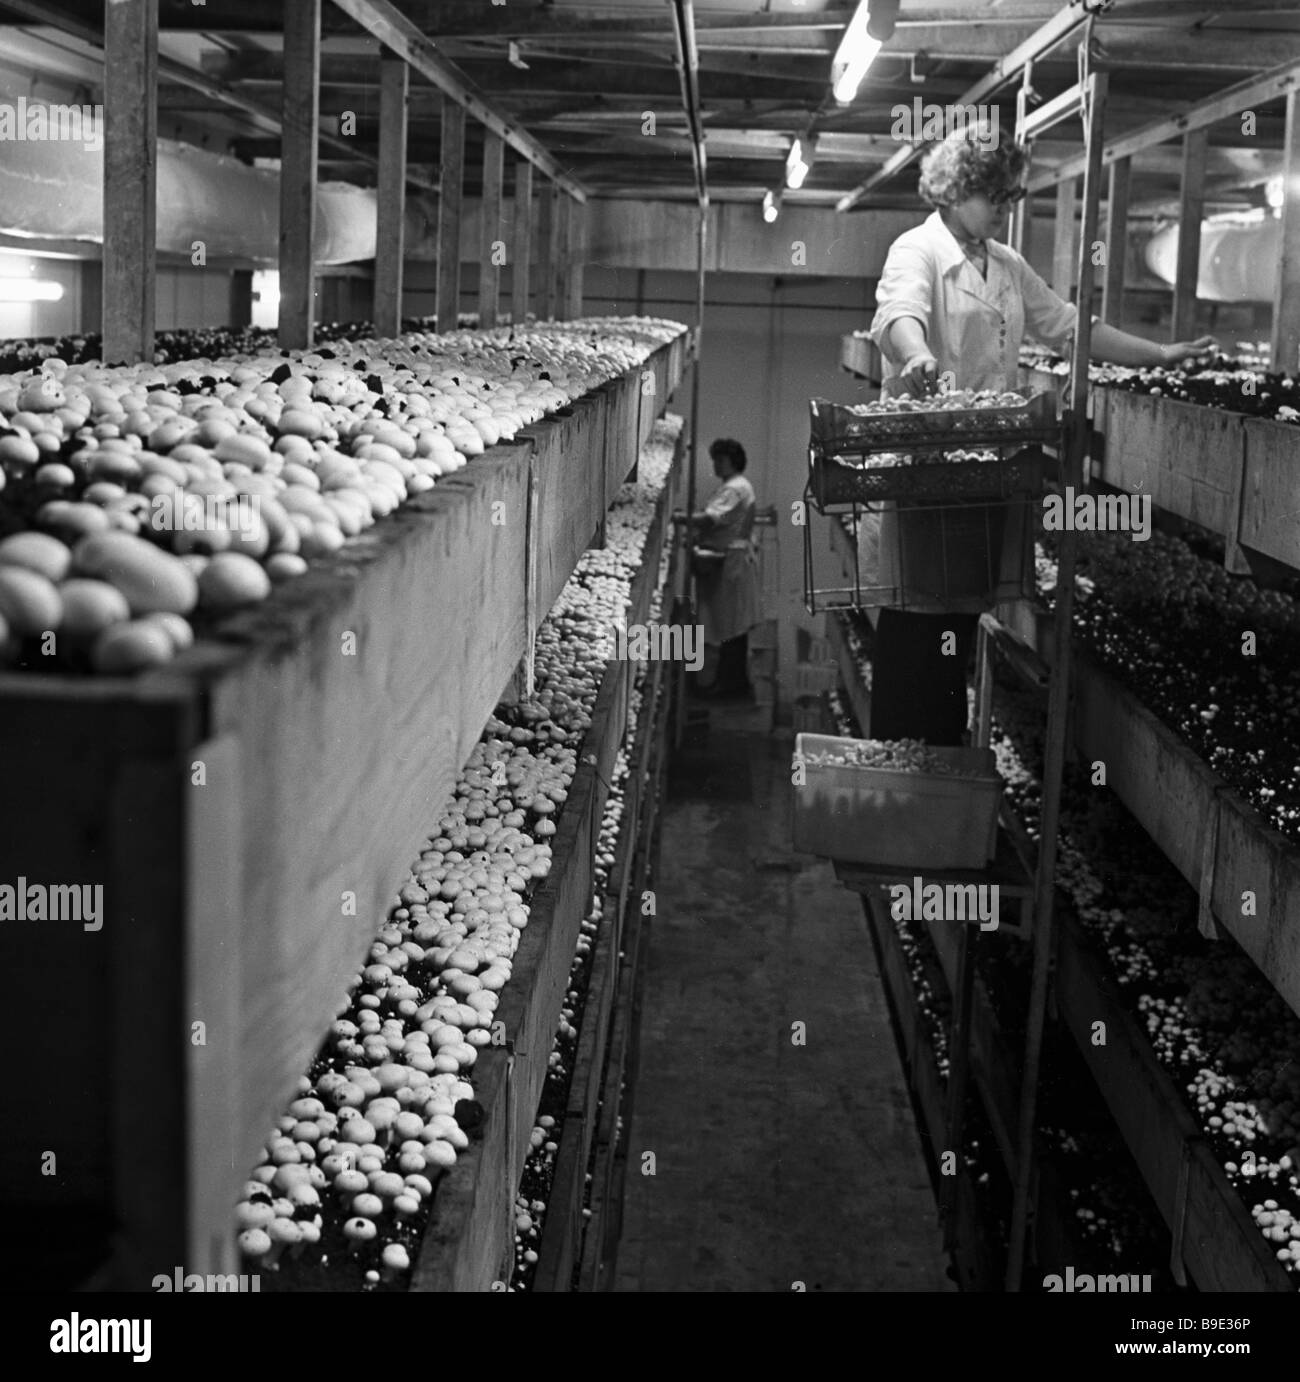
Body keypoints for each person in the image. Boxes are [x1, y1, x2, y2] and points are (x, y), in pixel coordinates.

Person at [864, 123, 1215, 743]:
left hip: (983, 477)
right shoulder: (915, 250)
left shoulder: (1006, 264)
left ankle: (941, 776)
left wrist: (1160, 354)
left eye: (1011, 198)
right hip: (927, 474)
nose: (1003, 209)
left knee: (958, 627)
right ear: (954, 190)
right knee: (914, 629)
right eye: (993, 196)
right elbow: (898, 314)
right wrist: (917, 355)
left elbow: (1071, 327)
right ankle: (899, 783)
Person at [690, 438, 761, 698]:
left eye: (720, 459)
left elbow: (710, 519)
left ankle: (730, 686)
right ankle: (731, 682)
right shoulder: (738, 485)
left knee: (730, 628)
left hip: (730, 564)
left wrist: (680, 518)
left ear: (732, 460)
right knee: (733, 627)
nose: (716, 465)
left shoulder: (734, 488)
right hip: (733, 561)